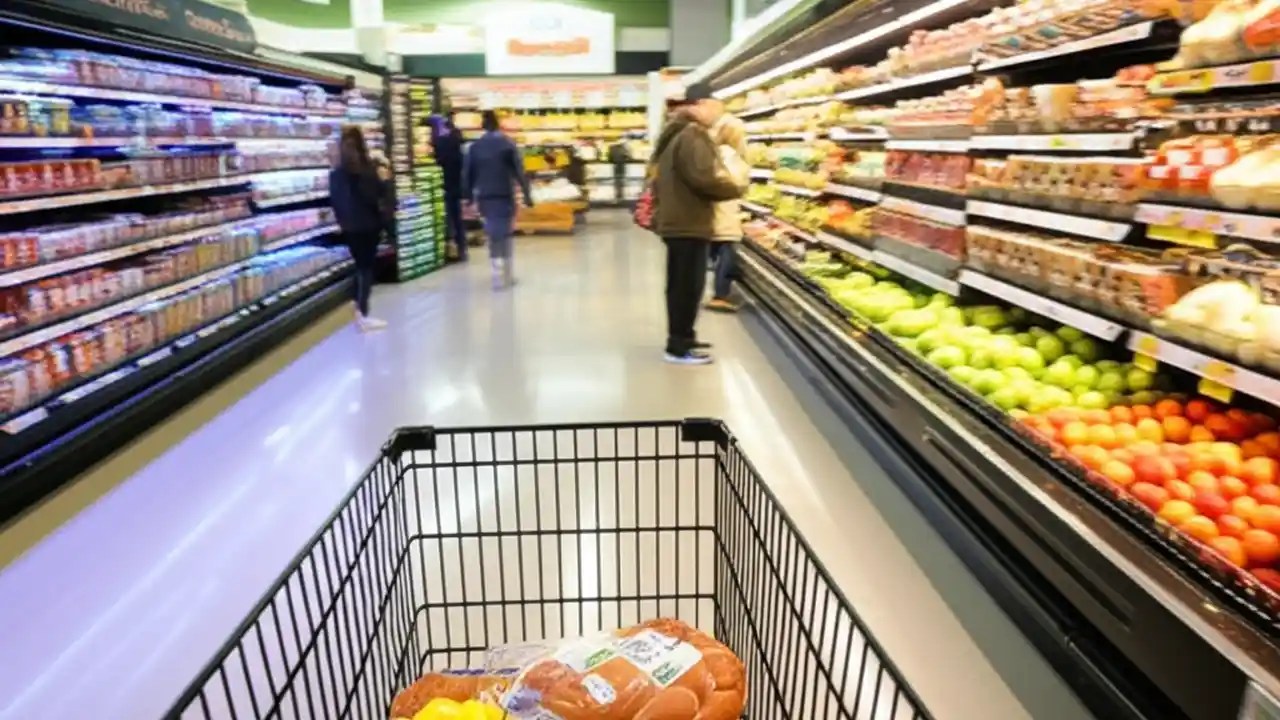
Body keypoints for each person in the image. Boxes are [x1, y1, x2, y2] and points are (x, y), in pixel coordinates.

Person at [651, 84, 747, 365]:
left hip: (679, 219)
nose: (719, 113)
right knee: (686, 286)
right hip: (688, 220)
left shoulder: (676, 131)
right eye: (718, 106)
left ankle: (685, 336)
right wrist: (735, 188)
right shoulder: (693, 134)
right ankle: (678, 346)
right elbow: (704, 177)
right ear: (702, 104)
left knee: (682, 284)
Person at [462, 110, 533, 289]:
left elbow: (468, 174)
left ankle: (496, 272)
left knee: (493, 233)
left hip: (485, 195)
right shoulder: (507, 144)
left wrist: (468, 196)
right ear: (498, 124)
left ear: (482, 126)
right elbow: (519, 171)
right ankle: (506, 274)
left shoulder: (475, 147)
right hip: (504, 194)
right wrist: (527, 194)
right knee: (504, 232)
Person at [330, 125, 391, 331]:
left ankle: (357, 310)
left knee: (359, 267)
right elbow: (377, 196)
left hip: (349, 227)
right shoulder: (368, 170)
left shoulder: (336, 173)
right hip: (368, 226)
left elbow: (335, 202)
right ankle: (363, 314)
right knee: (366, 269)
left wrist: (343, 222)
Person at [707, 116, 751, 312]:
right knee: (727, 250)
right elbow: (733, 182)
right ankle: (720, 295)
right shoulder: (730, 156)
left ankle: (718, 291)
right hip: (725, 210)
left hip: (715, 210)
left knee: (716, 250)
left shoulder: (715, 153)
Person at [433, 113, 468, 261]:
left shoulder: (441, 141)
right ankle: (461, 250)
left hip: (444, 184)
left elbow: (439, 159)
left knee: (447, 217)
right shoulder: (457, 142)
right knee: (456, 218)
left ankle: (450, 249)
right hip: (456, 184)